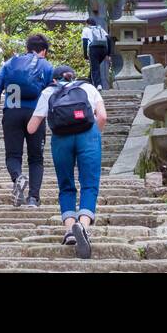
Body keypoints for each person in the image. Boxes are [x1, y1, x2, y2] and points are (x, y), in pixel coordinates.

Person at [27, 65, 107, 259]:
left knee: (66, 186)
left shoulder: (48, 92)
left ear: (54, 80)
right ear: (74, 76)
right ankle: (84, 225)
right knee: (89, 184)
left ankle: (70, 229)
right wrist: (95, 134)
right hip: (88, 136)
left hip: (61, 140)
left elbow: (31, 128)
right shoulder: (88, 88)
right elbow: (103, 116)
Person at [0, 34, 54, 208]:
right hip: (35, 114)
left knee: (13, 155)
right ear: (43, 51)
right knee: (36, 158)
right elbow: (50, 93)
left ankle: (18, 177)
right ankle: (33, 198)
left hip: (12, 113)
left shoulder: (9, 64)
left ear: (27, 47)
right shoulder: (46, 66)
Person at [81, 15, 111, 89]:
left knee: (95, 68)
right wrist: (108, 53)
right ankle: (90, 82)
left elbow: (85, 42)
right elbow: (109, 39)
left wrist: (85, 55)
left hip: (94, 49)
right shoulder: (100, 29)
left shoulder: (86, 29)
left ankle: (98, 85)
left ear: (87, 23)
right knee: (95, 67)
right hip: (103, 50)